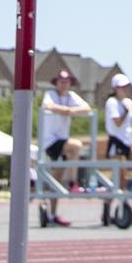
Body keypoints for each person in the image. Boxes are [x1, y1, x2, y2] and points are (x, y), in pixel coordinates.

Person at [38, 68, 93, 223]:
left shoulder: (71, 96)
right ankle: (73, 182)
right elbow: (48, 106)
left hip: (62, 140)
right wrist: (66, 110)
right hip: (50, 140)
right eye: (61, 81)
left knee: (56, 179)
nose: (64, 84)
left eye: (66, 82)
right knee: (76, 146)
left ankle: (52, 215)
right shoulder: (51, 94)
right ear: (56, 83)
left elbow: (87, 108)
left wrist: (70, 111)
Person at [103, 75, 132, 163]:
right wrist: (125, 112)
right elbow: (118, 123)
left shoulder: (129, 102)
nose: (125, 89)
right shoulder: (111, 102)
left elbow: (128, 126)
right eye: (121, 87)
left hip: (127, 141)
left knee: (125, 174)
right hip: (116, 141)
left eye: (126, 86)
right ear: (115, 88)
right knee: (120, 173)